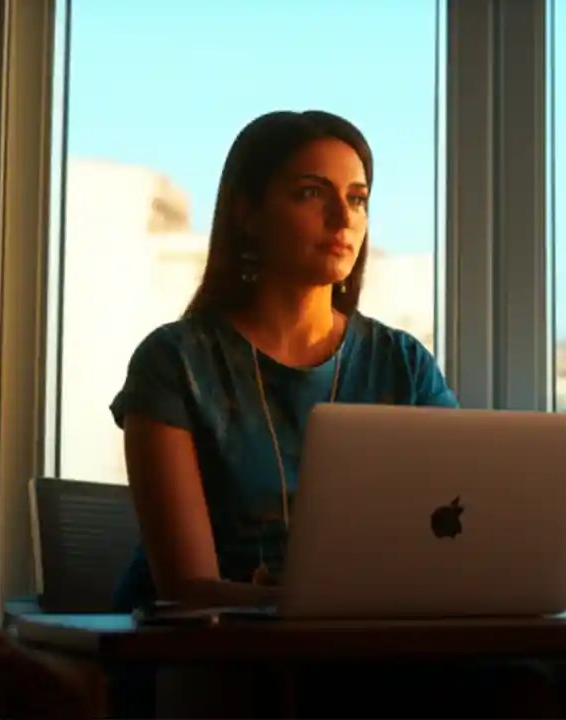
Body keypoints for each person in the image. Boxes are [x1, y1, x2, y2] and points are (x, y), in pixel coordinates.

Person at [109, 109, 457, 614]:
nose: (343, 218)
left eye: (357, 199)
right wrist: (301, 602)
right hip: (206, 650)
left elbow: (456, 530)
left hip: (363, 639)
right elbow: (186, 590)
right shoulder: (174, 362)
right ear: (247, 214)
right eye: (311, 193)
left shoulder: (403, 364)